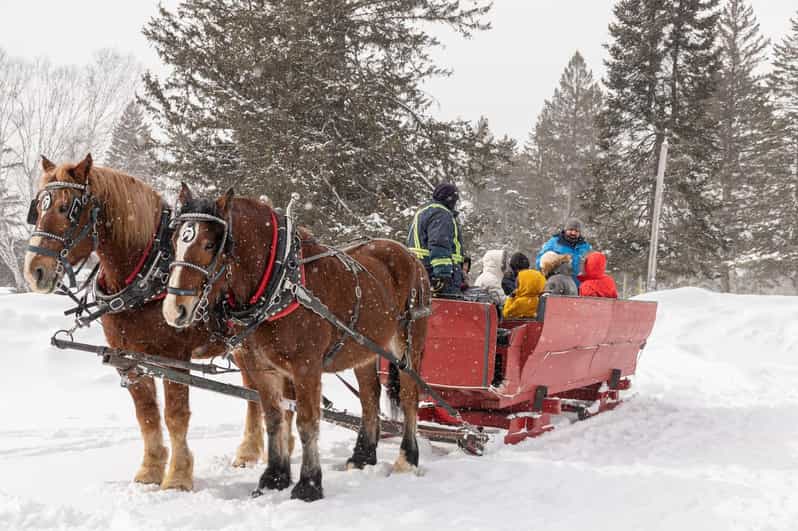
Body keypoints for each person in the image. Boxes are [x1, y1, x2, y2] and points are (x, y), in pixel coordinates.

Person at [407, 182, 465, 296]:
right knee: (448, 308)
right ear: (450, 199)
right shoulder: (441, 214)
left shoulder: (424, 211)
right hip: (436, 272)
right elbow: (439, 243)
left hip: (421, 269)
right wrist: (443, 273)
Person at [535, 218, 592, 287]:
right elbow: (540, 260)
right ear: (565, 230)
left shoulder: (585, 246)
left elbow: (591, 265)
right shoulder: (554, 242)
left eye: (576, 231)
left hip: (578, 285)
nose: (573, 233)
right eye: (571, 230)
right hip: (558, 284)